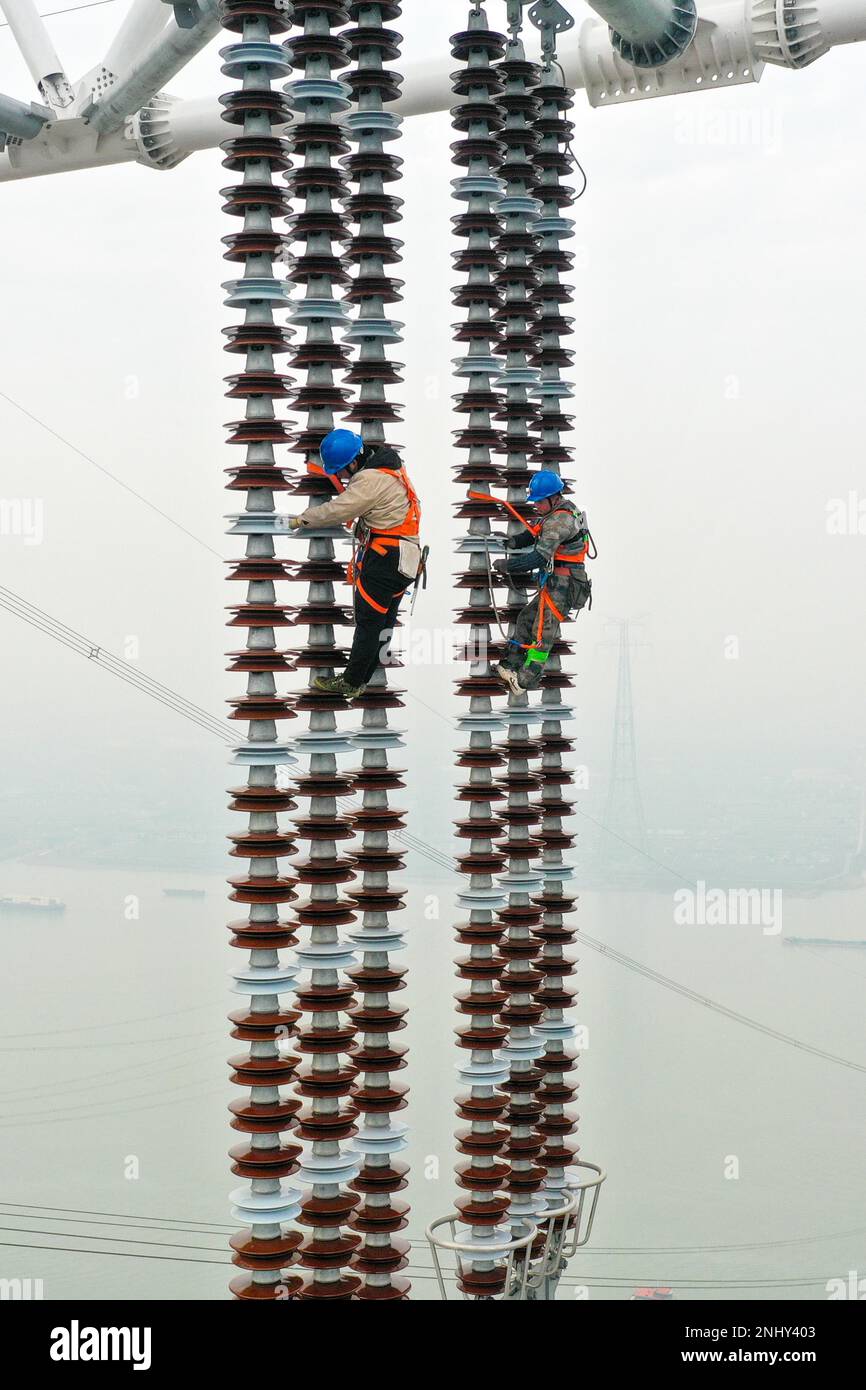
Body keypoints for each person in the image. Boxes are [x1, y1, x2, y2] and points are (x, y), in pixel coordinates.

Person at [288, 429, 423, 699]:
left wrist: (302, 518)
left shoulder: (369, 480)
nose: (345, 476)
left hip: (385, 558)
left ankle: (351, 682)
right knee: (382, 623)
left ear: (352, 462)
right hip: (407, 558)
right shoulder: (392, 468)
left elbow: (340, 509)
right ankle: (361, 678)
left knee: (368, 623)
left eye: (343, 471)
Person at [493, 470, 593, 695]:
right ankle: (509, 665)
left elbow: (540, 556)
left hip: (566, 583)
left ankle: (524, 681)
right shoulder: (556, 512)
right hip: (557, 580)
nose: (536, 506)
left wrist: (508, 566)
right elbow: (535, 532)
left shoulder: (561, 519)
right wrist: (513, 541)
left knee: (542, 633)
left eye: (539, 501)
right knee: (527, 619)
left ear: (552, 498)